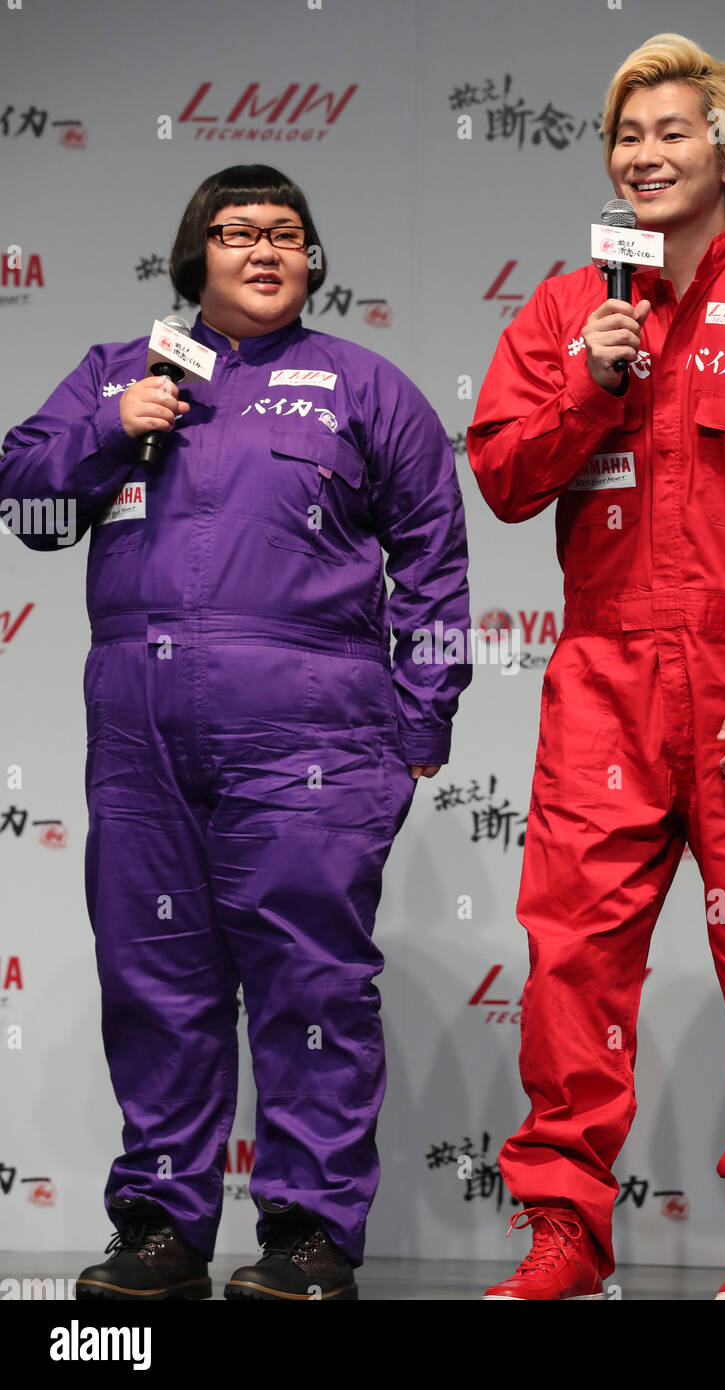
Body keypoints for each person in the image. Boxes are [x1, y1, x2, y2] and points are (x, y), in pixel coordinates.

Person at [0, 163, 470, 1301]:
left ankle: (309, 1236)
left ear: (312, 261)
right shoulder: (126, 374)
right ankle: (160, 1229)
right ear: (191, 254)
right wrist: (112, 430)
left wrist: (420, 723)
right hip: (141, 741)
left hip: (311, 740)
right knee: (157, 981)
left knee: (311, 990)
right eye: (237, 231)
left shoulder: (366, 388)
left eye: (288, 234)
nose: (265, 249)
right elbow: (28, 502)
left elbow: (435, 563)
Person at [467, 34, 725, 1301]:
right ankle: (565, 1230)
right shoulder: (564, 308)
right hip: (604, 682)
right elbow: (499, 473)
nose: (643, 155)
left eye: (670, 133)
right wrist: (590, 386)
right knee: (569, 965)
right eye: (625, 137)